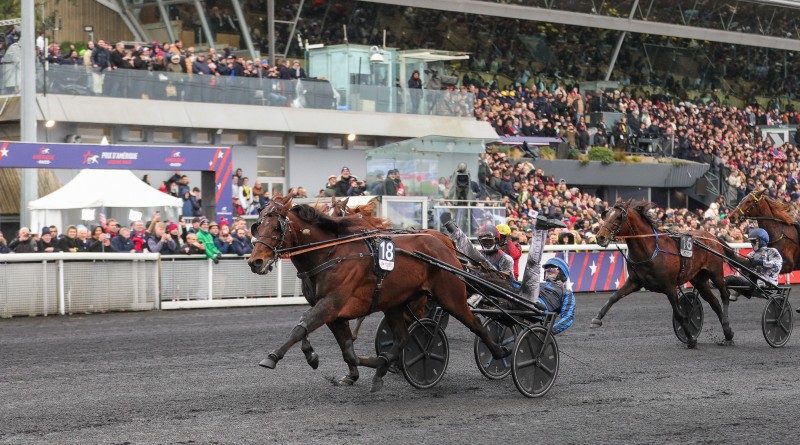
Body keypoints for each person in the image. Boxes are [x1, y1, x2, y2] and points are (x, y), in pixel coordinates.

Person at [725, 228, 783, 301]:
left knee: (734, 279)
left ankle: (736, 291)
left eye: (753, 241)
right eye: (751, 241)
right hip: (752, 281)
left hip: (767, 281)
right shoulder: (751, 254)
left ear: (762, 240)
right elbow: (745, 266)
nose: (752, 243)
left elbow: (778, 265)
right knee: (731, 278)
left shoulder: (772, 251)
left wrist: (762, 262)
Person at [535, 257, 577, 334]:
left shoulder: (567, 293)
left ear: (562, 273)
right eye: (547, 268)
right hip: (521, 299)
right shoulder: (538, 284)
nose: (548, 269)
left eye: (553, 268)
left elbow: (568, 317)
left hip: (537, 307)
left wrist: (550, 330)